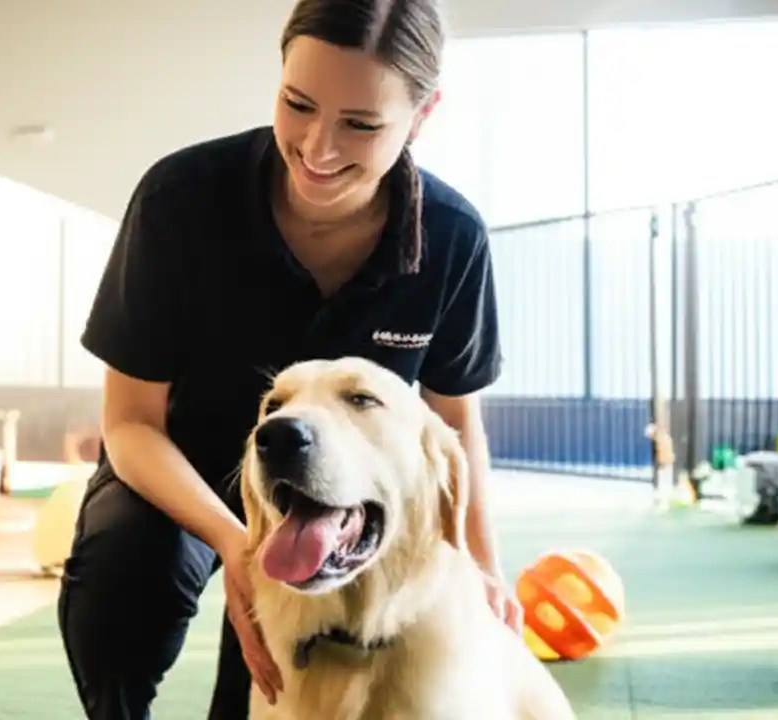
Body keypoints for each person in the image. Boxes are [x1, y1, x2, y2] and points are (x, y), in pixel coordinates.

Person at [57, 0, 519, 717]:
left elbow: (455, 423)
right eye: (297, 104)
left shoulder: (453, 239)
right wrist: (237, 545)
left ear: (422, 116)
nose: (317, 147)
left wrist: (484, 567)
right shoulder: (178, 201)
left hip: (337, 490)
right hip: (179, 470)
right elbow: (129, 424)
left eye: (361, 124)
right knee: (122, 581)